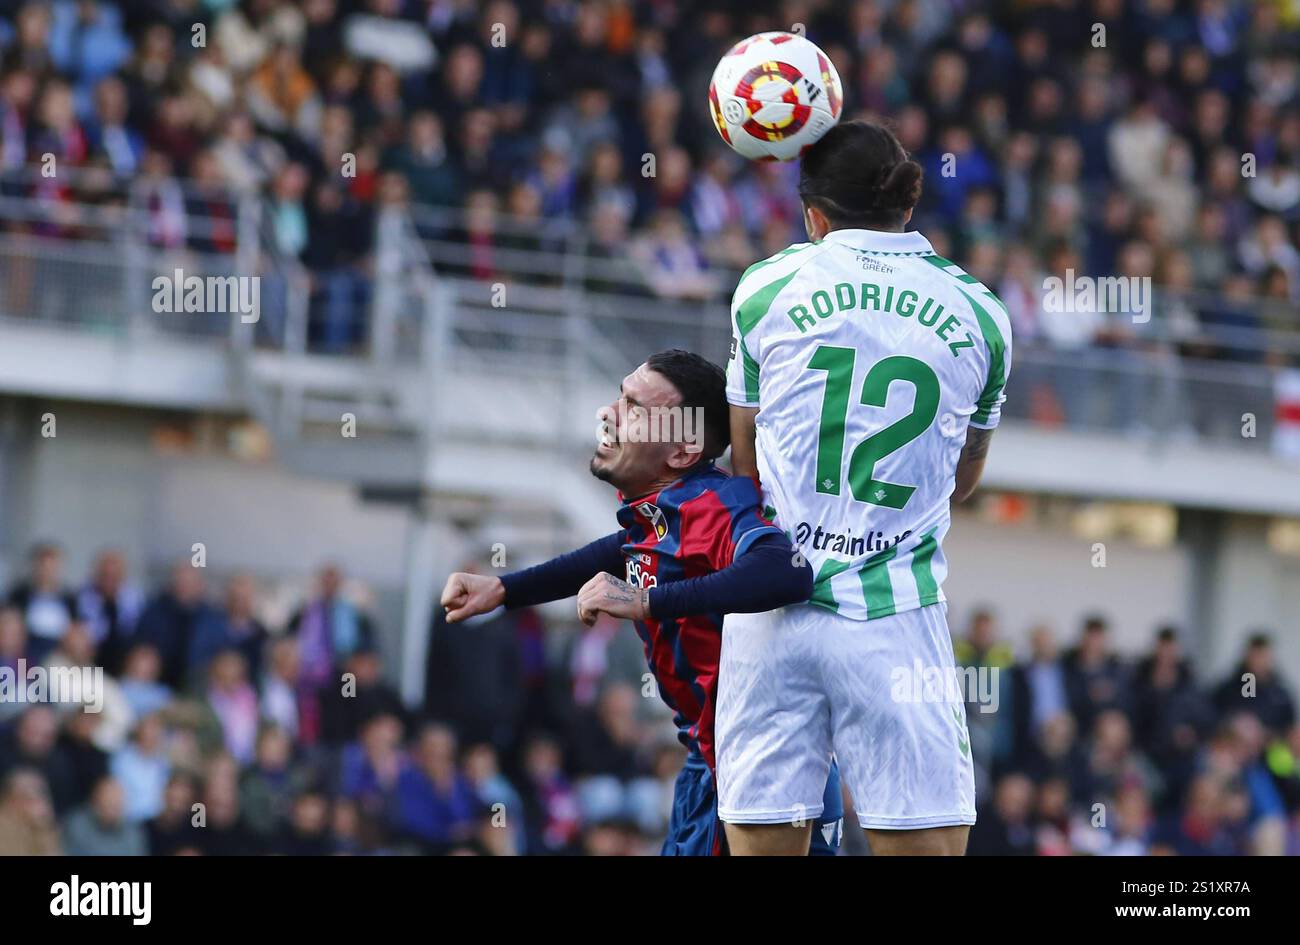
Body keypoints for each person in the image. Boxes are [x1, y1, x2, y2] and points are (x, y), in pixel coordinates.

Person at [722, 120, 1013, 855]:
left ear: (813, 214)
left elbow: (744, 463)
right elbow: (963, 479)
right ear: (906, 206)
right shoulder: (982, 313)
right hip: (893, 618)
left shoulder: (766, 288)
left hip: (770, 610)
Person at [440, 350, 842, 856]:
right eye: (619, 395)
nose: (607, 413)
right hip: (716, 764)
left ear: (681, 450)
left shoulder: (714, 506)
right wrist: (504, 589)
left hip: (761, 770)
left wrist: (646, 600)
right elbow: (622, 550)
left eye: (634, 406)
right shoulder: (667, 510)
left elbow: (786, 571)